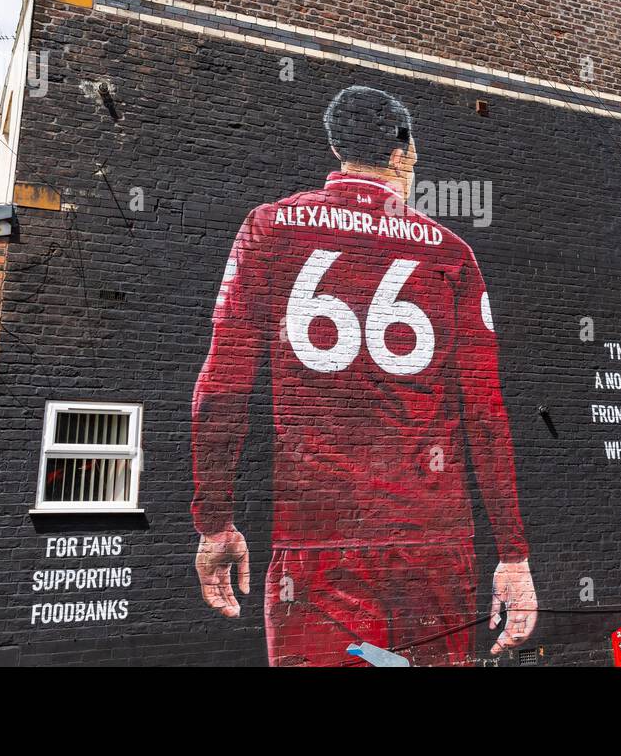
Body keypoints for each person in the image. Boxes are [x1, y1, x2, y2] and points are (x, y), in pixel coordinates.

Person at [192, 84, 537, 666]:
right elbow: (486, 413)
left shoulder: (270, 227)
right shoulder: (451, 254)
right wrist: (513, 552)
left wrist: (215, 521)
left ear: (336, 150)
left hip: (317, 540)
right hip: (435, 542)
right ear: (403, 154)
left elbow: (221, 388)